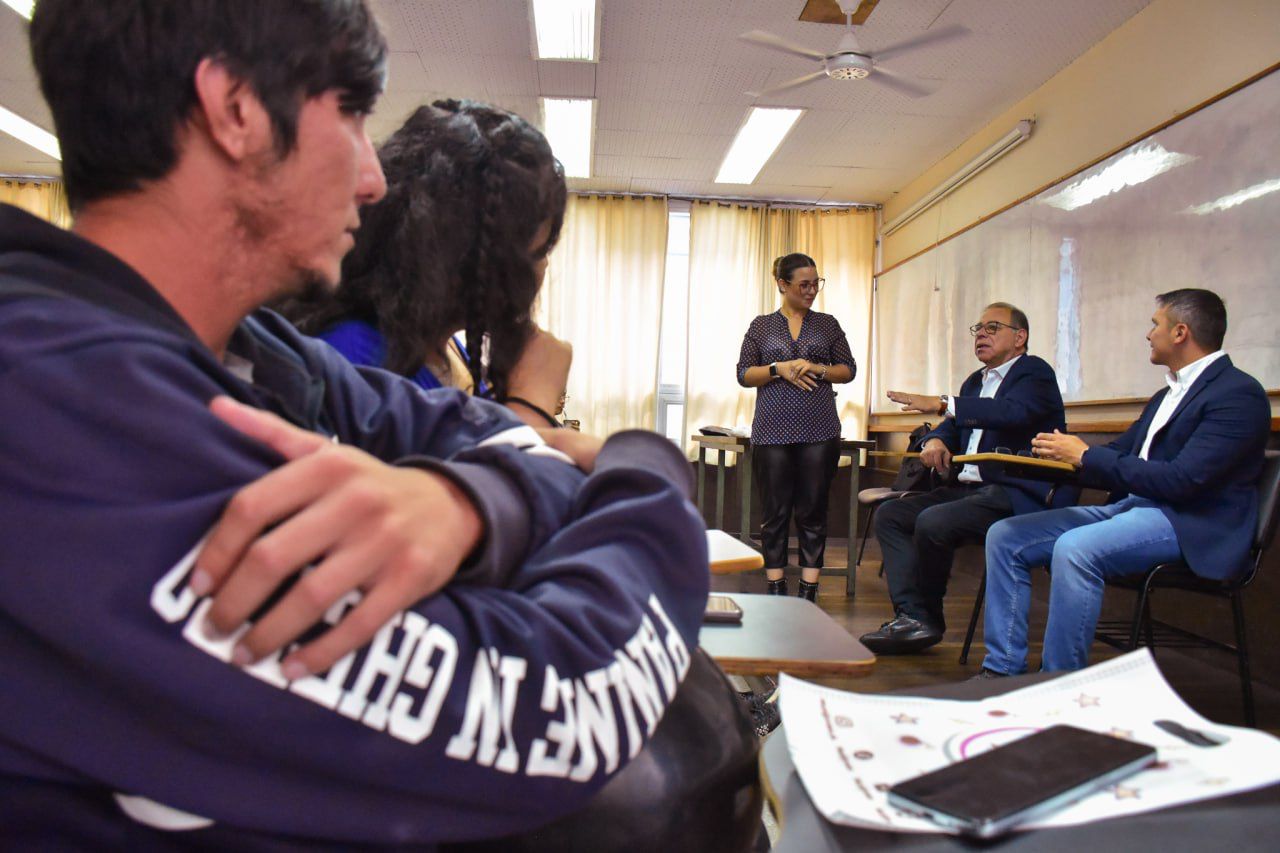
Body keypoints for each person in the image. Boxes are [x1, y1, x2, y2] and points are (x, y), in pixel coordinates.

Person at [0, 0, 709, 846]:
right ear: (236, 111)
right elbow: (572, 704)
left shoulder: (258, 352)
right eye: (348, 113)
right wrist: (651, 475)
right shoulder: (58, 407)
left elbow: (482, 437)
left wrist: (470, 502)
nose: (373, 179)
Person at [978, 289, 1270, 677]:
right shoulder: (1167, 394)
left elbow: (1183, 481)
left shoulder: (1238, 394)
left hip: (1189, 523)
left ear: (1180, 332)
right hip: (1133, 509)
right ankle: (1001, 671)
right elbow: (1118, 452)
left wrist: (1084, 454)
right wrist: (1045, 458)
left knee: (1074, 548)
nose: (1149, 334)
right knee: (1006, 536)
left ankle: (1059, 685)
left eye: (1155, 325)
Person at [282, 99, 573, 426]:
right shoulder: (354, 359)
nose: (543, 268)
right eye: (537, 252)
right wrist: (531, 402)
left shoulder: (448, 353)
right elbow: (480, 472)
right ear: (464, 255)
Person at [859, 302, 1068, 655]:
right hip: (966, 490)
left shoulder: (1034, 374)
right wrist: (936, 438)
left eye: (993, 327)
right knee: (890, 516)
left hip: (1013, 491)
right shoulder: (975, 382)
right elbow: (952, 426)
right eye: (978, 328)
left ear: (1020, 337)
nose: (981, 334)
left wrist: (943, 403)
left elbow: (1012, 413)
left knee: (933, 521)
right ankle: (912, 616)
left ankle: (927, 618)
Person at [736, 253, 856, 601]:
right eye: (803, 284)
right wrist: (779, 368)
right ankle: (775, 585)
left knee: (813, 510)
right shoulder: (761, 326)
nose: (811, 291)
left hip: (819, 431)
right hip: (771, 431)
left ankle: (809, 589)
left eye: (816, 283)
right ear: (782, 284)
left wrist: (816, 368)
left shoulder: (827, 324)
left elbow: (848, 369)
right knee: (774, 513)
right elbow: (744, 374)